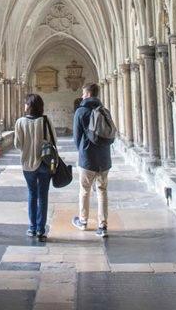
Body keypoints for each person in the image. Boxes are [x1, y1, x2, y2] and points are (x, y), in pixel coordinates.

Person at [72, 83, 111, 238]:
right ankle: (103, 225)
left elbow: (76, 137)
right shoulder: (104, 110)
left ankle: (83, 221)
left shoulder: (81, 111)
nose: (82, 96)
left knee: (84, 190)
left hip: (87, 158)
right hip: (104, 158)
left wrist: (82, 150)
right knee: (102, 191)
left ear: (88, 94)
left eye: (83, 93)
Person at [14, 94, 54, 241]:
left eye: (26, 103)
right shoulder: (46, 120)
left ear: (29, 106)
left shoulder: (20, 122)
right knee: (43, 196)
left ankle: (32, 228)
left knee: (32, 194)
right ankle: (41, 230)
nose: (24, 106)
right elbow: (53, 141)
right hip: (44, 163)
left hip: (27, 164)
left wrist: (28, 145)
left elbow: (17, 144)